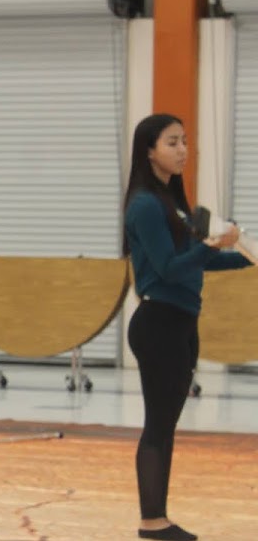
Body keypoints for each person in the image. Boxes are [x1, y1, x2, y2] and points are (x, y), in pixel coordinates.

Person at [123, 114, 250, 541]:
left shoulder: (171, 200)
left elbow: (200, 261)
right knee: (158, 424)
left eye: (185, 141)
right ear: (149, 150)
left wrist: (244, 257)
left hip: (179, 322)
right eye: (172, 142)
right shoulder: (144, 203)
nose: (183, 150)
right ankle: (151, 522)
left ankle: (157, 517)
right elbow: (171, 269)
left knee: (166, 423)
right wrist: (214, 243)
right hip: (159, 324)